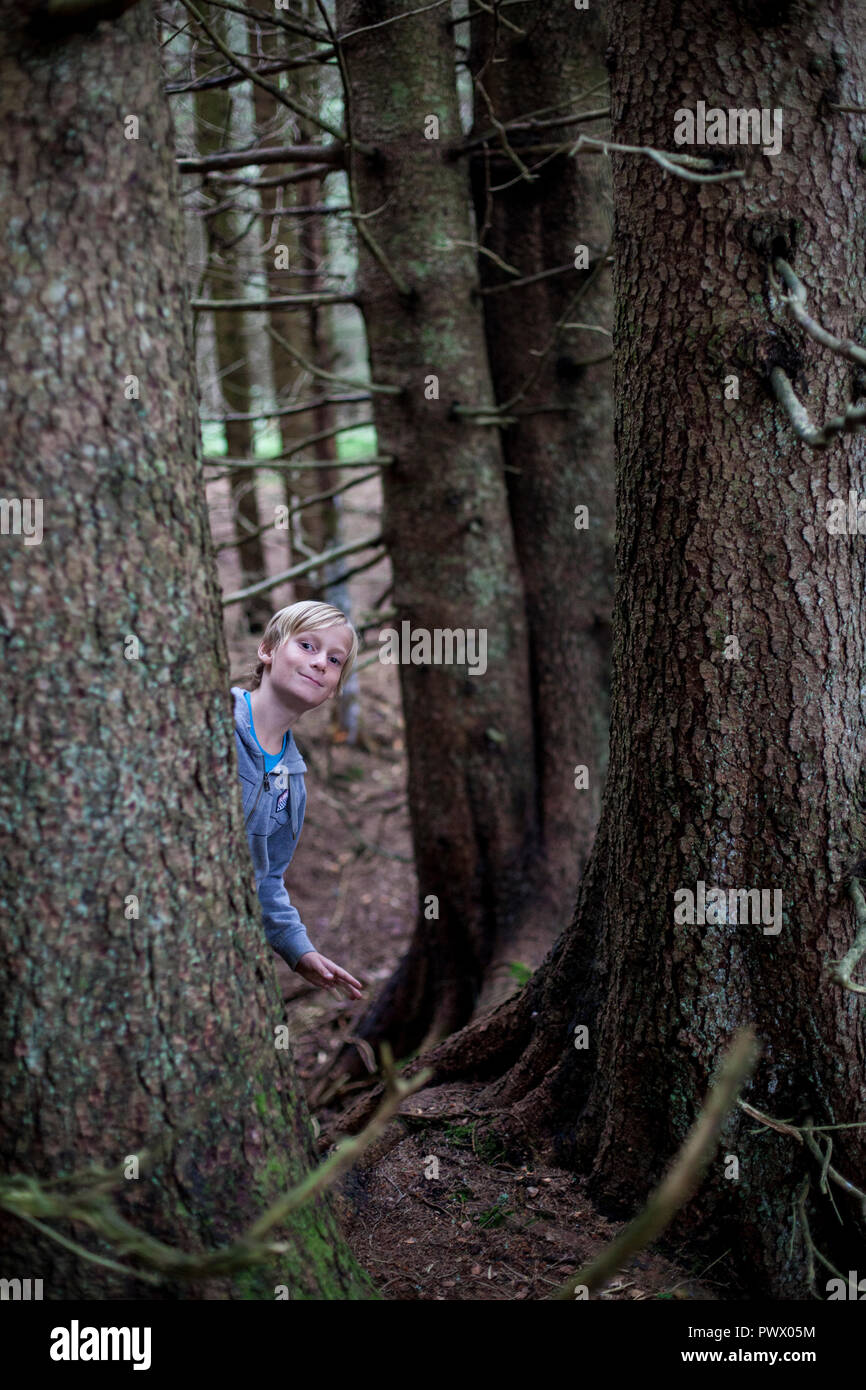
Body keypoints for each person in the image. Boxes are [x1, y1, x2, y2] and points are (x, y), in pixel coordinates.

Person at [231, 600, 364, 1001]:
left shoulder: (293, 784)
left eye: (335, 660)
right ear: (268, 649)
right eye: (307, 646)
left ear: (335, 688)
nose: (321, 662)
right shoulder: (212, 721)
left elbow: (266, 877)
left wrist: (297, 947)